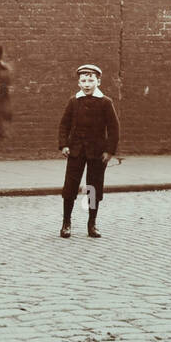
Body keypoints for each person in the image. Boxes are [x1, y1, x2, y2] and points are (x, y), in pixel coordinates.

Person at [58, 64, 119, 238]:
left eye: (90, 80)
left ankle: (92, 224)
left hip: (97, 153)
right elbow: (64, 124)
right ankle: (66, 223)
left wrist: (109, 151)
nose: (87, 84)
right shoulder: (73, 101)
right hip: (76, 151)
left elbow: (114, 128)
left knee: (93, 187)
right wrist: (64, 145)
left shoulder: (106, 102)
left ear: (98, 81)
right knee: (70, 187)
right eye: (83, 80)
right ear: (79, 83)